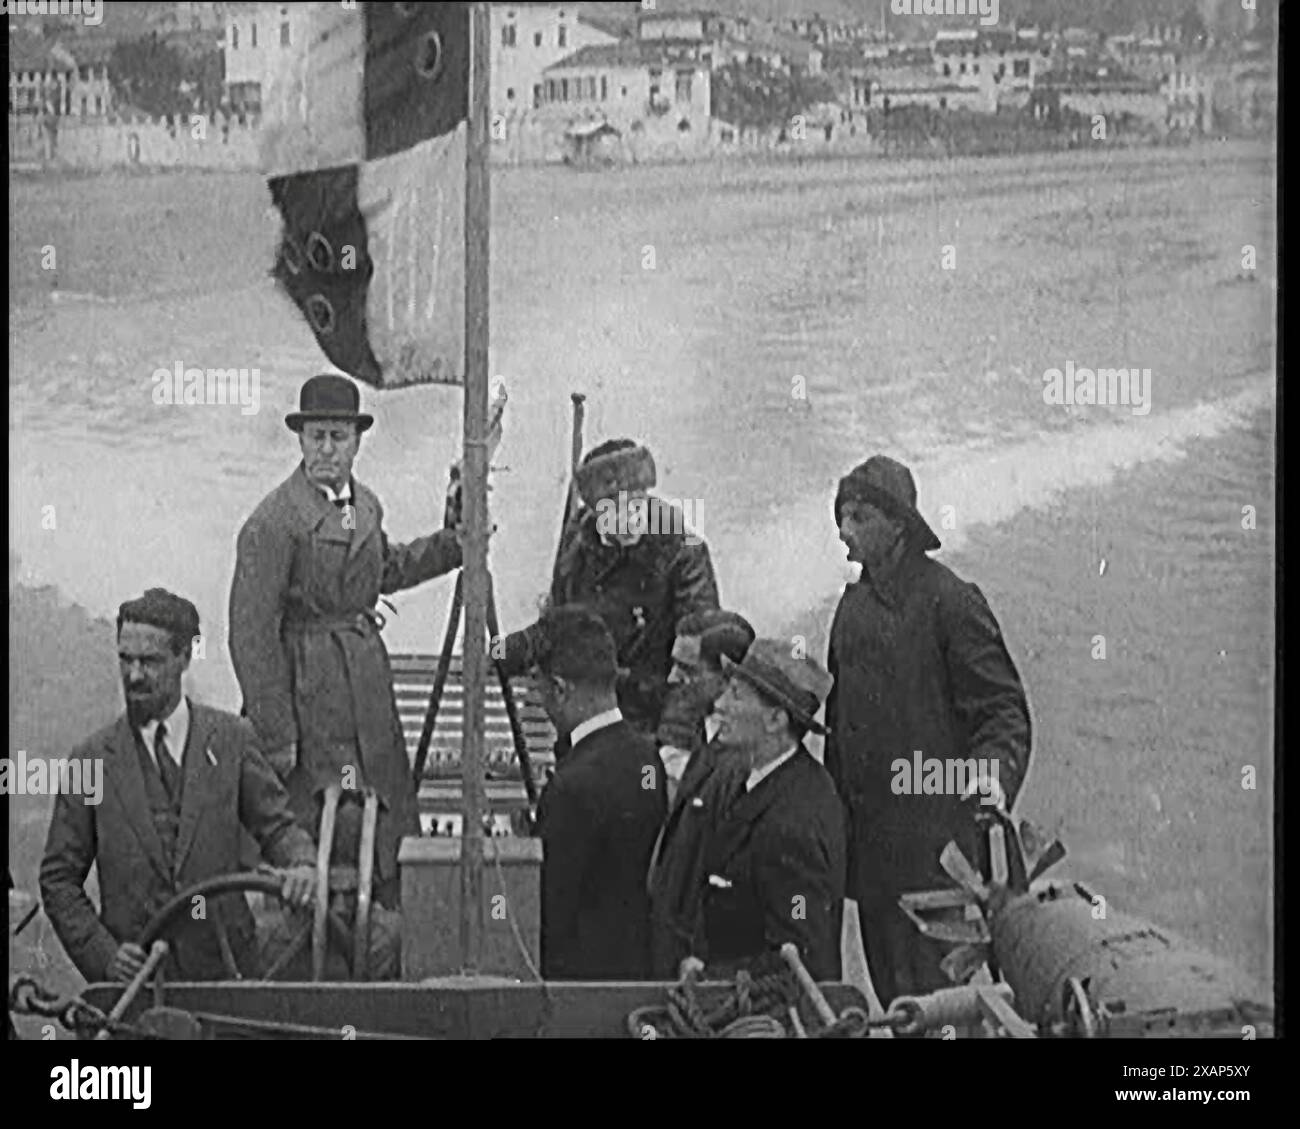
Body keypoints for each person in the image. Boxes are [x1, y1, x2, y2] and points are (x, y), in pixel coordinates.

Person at [229, 374, 462, 908]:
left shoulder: (364, 506)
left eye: (338, 437)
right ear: (302, 441)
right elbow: (250, 634)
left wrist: (454, 546)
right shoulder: (273, 523)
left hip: (365, 687)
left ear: (357, 442)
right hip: (309, 691)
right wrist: (275, 731)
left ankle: (387, 914)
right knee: (317, 819)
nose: (326, 450)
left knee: (380, 804)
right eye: (317, 438)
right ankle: (320, 940)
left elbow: (385, 568)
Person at [825, 455, 1032, 1006]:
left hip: (937, 852)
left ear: (900, 524)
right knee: (898, 999)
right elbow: (837, 731)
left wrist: (993, 778)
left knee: (944, 1001)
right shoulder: (851, 610)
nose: (845, 531)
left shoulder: (952, 601)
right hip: (871, 854)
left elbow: (1003, 711)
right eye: (841, 518)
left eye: (860, 517)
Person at [40, 589, 317, 984]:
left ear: (184, 658)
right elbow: (59, 879)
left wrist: (302, 865)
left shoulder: (231, 740)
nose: (134, 675)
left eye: (149, 662)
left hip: (230, 988)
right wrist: (106, 957)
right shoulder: (90, 760)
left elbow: (278, 827)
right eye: (125, 660)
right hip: (136, 995)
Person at [502, 439, 719, 738]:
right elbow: (557, 627)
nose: (632, 515)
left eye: (638, 501)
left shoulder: (682, 554)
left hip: (654, 725)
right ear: (595, 510)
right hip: (588, 719)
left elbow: (696, 665)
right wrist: (500, 652)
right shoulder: (578, 549)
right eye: (616, 506)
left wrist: (673, 741)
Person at [530, 606, 666, 980]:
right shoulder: (648, 759)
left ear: (559, 689)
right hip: (636, 973)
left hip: (579, 992)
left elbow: (548, 915)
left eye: (540, 689)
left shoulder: (570, 787)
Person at [699, 639, 846, 982]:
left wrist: (710, 976)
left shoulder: (794, 823)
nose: (719, 704)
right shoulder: (758, 779)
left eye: (735, 694)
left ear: (775, 719)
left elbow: (798, 962)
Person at [646, 609, 755, 978]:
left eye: (689, 670)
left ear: (727, 677)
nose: (673, 679)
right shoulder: (704, 737)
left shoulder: (739, 764)